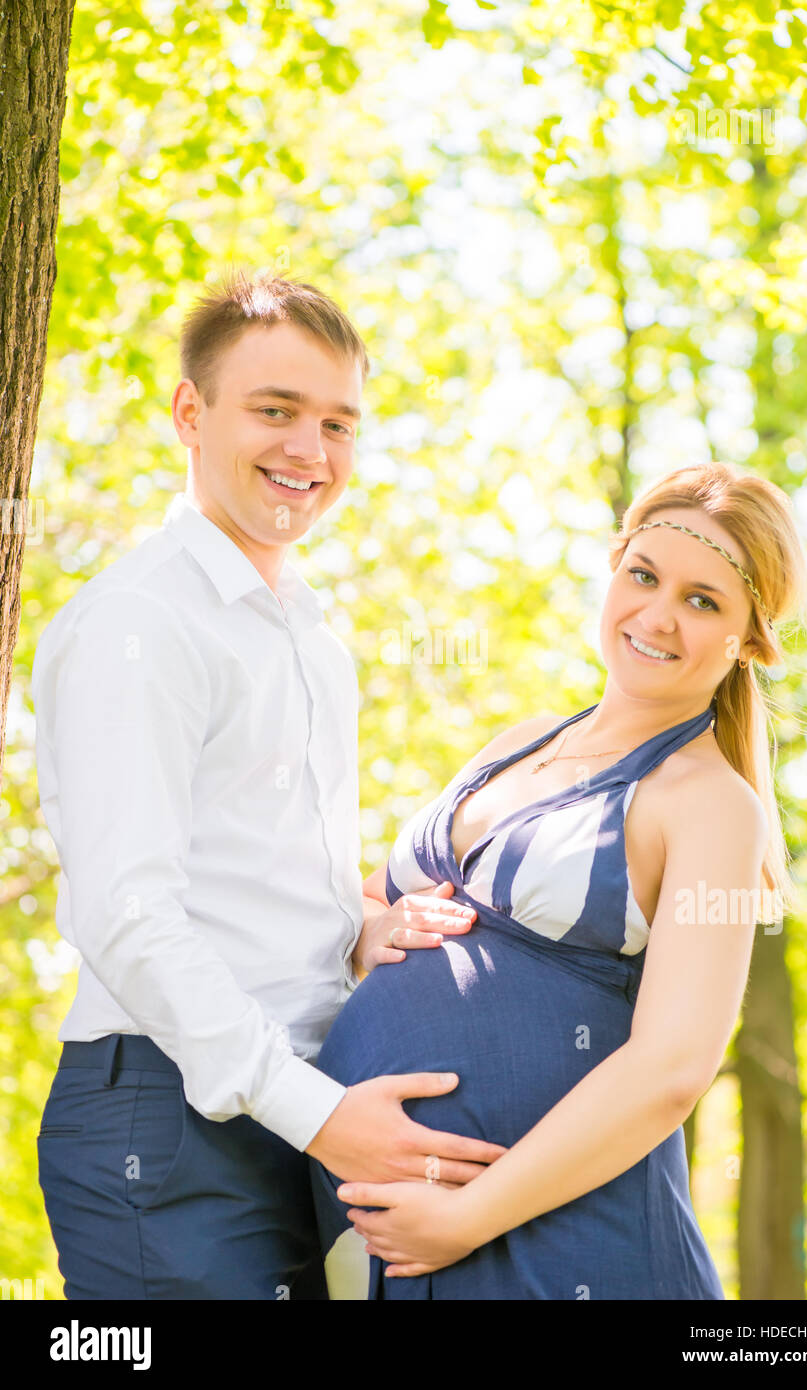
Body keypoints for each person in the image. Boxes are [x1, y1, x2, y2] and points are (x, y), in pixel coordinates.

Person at [31, 269, 503, 1300]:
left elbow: (248, 865)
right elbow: (127, 914)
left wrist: (356, 926)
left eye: (338, 423)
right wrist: (323, 1116)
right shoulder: (143, 623)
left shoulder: (310, 634)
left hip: (293, 1107)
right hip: (162, 1120)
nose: (310, 451)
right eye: (276, 412)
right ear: (190, 414)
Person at [310, 460, 807, 1300]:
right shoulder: (522, 740)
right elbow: (371, 900)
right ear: (613, 568)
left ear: (748, 643)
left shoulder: (709, 805)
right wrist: (371, 930)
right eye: (643, 575)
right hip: (391, 1245)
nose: (657, 615)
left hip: (556, 1249)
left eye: (703, 601)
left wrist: (467, 1218)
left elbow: (670, 1069)